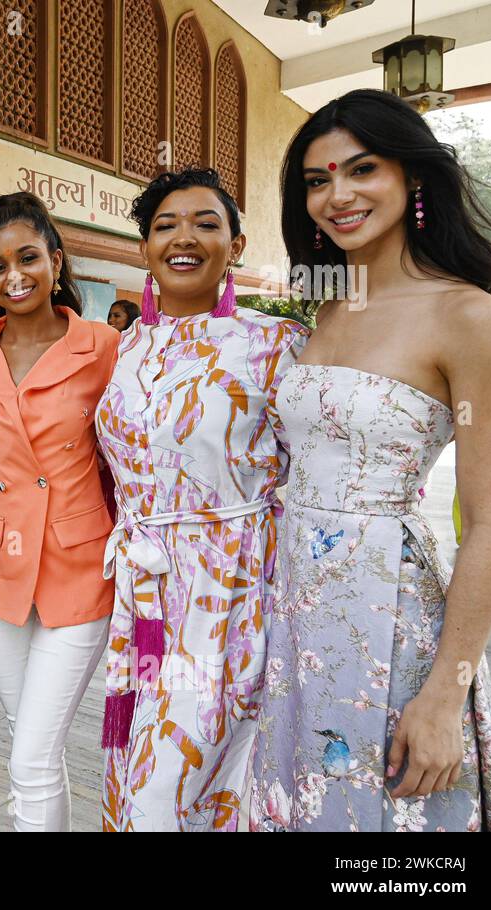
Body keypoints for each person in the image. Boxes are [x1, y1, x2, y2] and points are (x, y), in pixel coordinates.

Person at [251, 89, 491, 832]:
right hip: (295, 612)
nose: (337, 195)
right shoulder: (330, 306)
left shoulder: (472, 318)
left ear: (412, 177)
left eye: (361, 170)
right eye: (315, 179)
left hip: (390, 614)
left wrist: (444, 692)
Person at [96, 167, 309, 832]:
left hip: (234, 598)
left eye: (205, 223)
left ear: (237, 245)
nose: (183, 238)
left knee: (201, 780)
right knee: (138, 770)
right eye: (165, 226)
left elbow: (308, 476)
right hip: (145, 600)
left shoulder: (276, 345)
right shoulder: (129, 345)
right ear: (144, 248)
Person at [0, 191, 118, 831]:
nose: (14, 276)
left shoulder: (105, 346)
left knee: (29, 758)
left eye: (27, 257)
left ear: (56, 261)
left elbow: (129, 452)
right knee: (33, 749)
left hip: (78, 569)